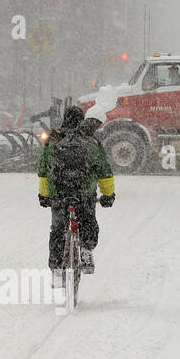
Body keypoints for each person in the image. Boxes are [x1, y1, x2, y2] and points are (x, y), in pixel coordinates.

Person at [37, 106, 114, 274]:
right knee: (88, 221)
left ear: (64, 119)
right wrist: (108, 195)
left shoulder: (54, 139)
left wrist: (44, 195)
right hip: (84, 192)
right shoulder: (91, 141)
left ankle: (56, 268)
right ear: (82, 121)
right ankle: (86, 251)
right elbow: (104, 171)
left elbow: (44, 170)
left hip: (59, 192)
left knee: (58, 229)